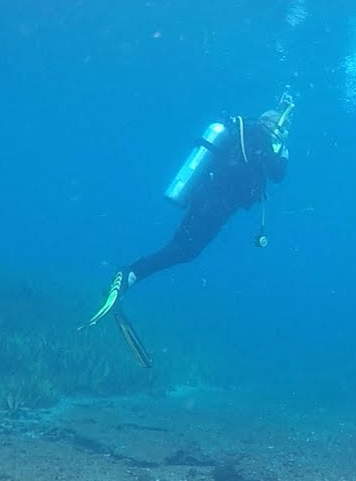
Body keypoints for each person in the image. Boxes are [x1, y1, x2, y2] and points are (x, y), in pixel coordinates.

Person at [85, 93, 293, 329]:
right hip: (216, 206)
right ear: (275, 124)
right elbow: (278, 175)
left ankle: (129, 279)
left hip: (206, 198)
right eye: (284, 127)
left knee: (180, 248)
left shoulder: (245, 132)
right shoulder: (261, 138)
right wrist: (283, 152)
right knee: (184, 251)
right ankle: (129, 274)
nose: (285, 132)